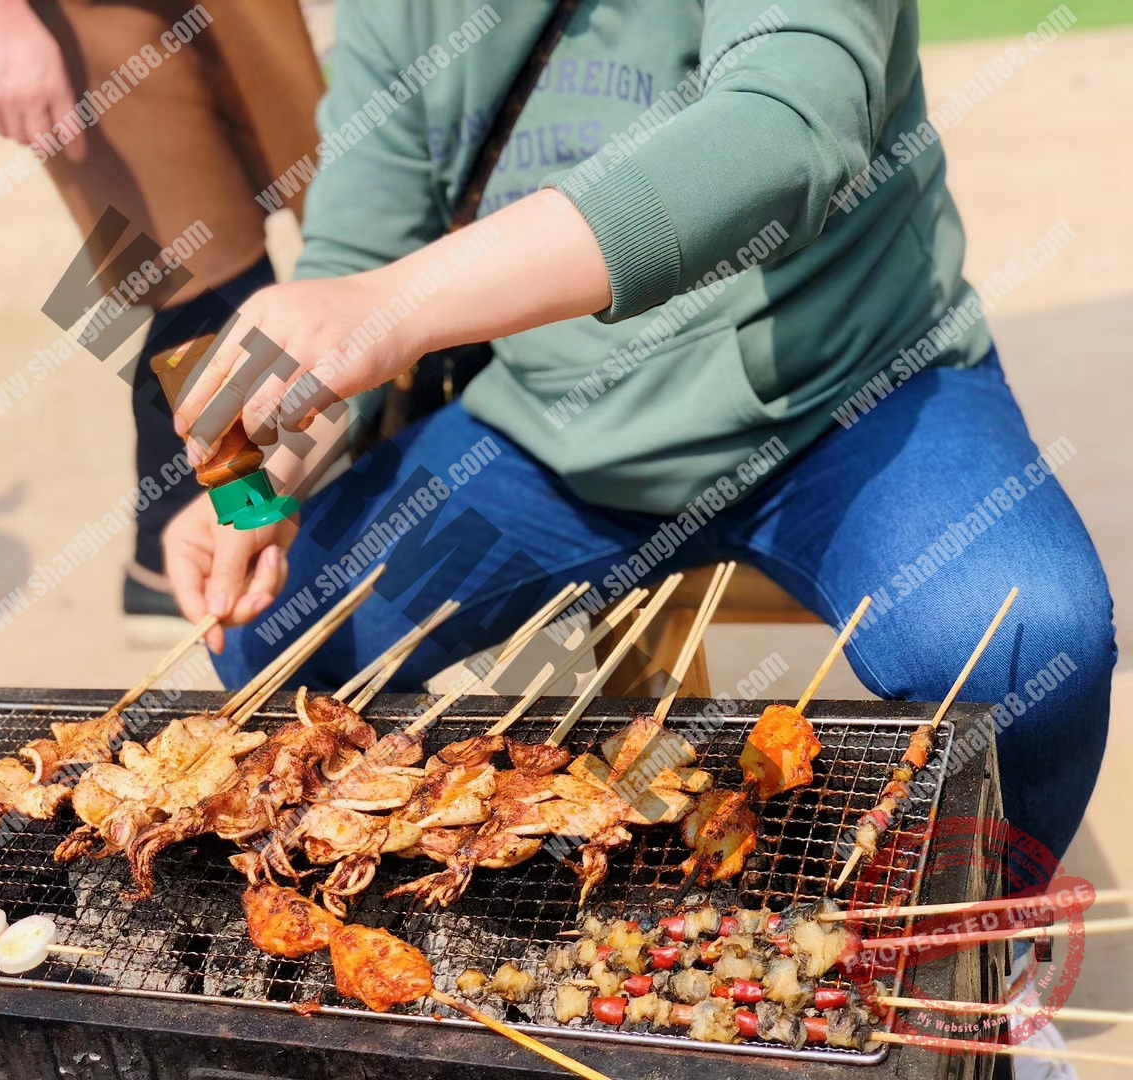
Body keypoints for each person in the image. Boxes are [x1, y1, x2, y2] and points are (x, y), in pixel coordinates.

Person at [161, 0, 1113, 888]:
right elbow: (354, 260)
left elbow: (785, 126)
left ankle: (988, 955)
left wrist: (394, 307)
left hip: (853, 397)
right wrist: (264, 478)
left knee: (1025, 643)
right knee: (267, 634)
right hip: (559, 428)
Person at [0, 0, 324, 619]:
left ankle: (217, 538)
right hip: (90, 15)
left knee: (330, 193)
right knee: (202, 276)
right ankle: (220, 536)